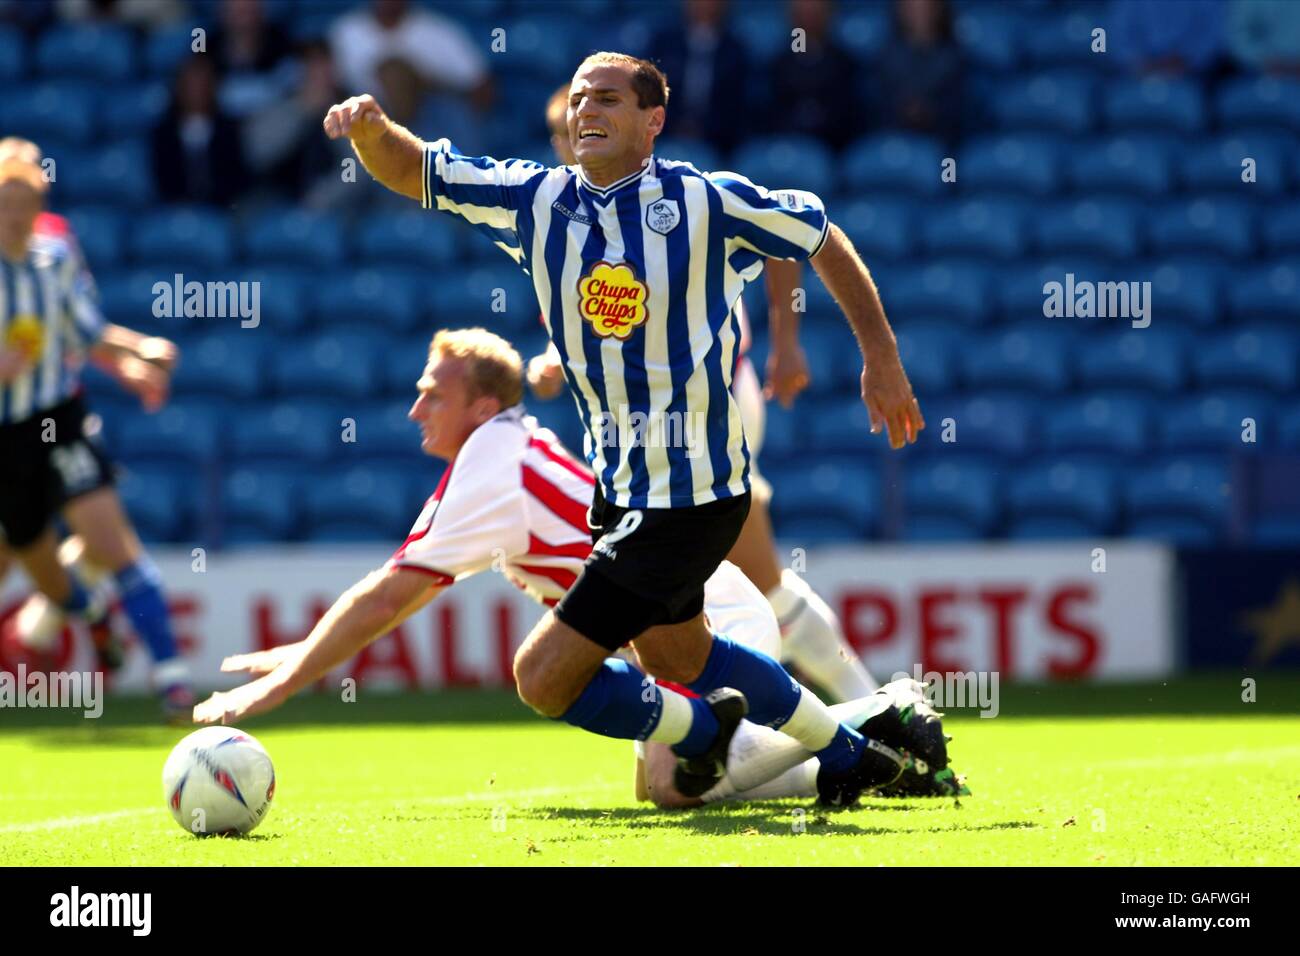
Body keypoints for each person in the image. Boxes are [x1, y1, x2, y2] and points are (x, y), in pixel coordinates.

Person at [313, 51, 925, 807]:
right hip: (624, 492)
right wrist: (372, 131)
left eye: (607, 99)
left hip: (690, 495)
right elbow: (420, 173)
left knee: (541, 678)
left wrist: (882, 360)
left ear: (652, 121)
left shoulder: (705, 201)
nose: (586, 113)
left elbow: (820, 235)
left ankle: (731, 739)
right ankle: (854, 748)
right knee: (687, 658)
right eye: (578, 100)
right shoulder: (536, 202)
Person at [195, 329, 966, 805]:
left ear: (482, 402)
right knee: (664, 787)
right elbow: (393, 587)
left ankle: (866, 719)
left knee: (665, 778)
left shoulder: (494, 465)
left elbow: (388, 597)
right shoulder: (497, 455)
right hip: (675, 603)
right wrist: (302, 653)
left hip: (699, 610)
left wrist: (285, 684)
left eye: (432, 394)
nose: (414, 410)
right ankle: (856, 751)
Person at [527, 85, 878, 704]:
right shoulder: (570, 222)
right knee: (729, 586)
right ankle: (831, 708)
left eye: (579, 125)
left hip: (708, 407)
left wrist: (787, 339)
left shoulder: (675, 199)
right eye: (562, 133)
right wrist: (558, 358)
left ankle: (852, 711)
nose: (572, 141)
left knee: (750, 579)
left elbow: (783, 234)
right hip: (649, 427)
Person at [0, 152, 193, 720]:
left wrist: (139, 350)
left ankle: (174, 682)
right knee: (39, 568)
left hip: (57, 420)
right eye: (3, 204)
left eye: (22, 204)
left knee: (111, 541)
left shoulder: (53, 260)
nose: (12, 215)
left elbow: (86, 332)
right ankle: (91, 615)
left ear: (40, 207)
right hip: (3, 441)